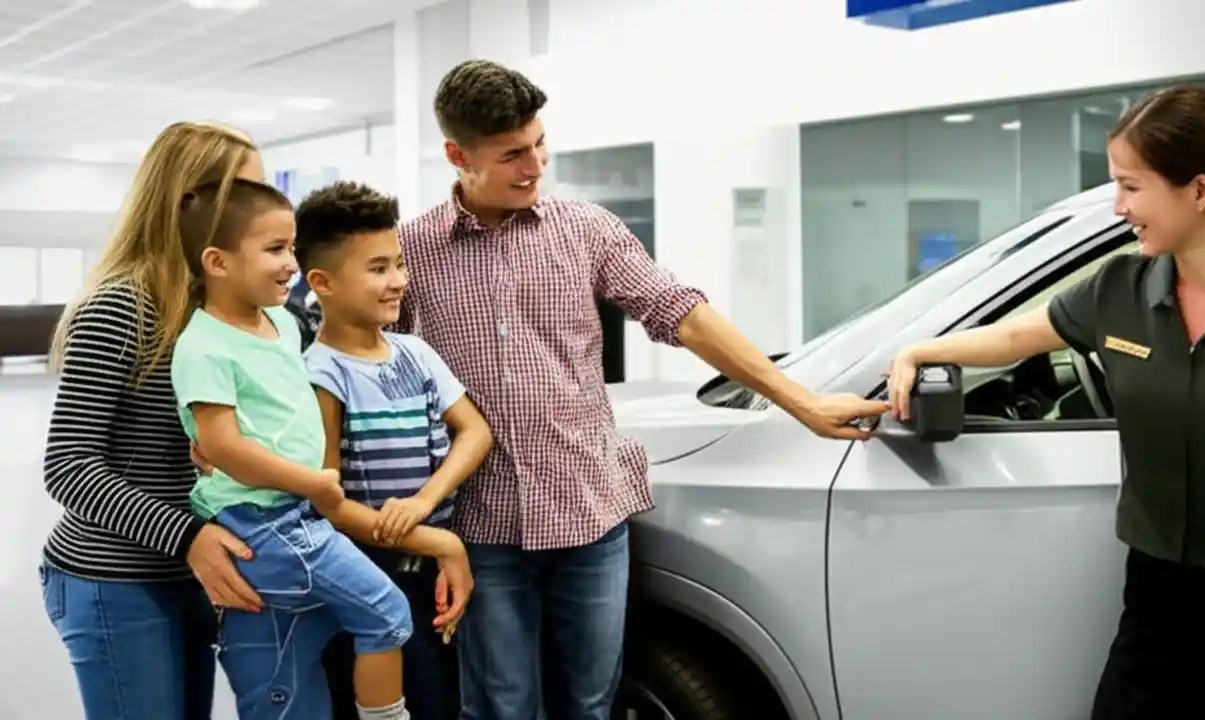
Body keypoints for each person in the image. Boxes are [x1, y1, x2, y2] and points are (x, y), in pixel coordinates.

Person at [393, 58, 891, 719]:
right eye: (512, 153)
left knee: (593, 703)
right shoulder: (410, 251)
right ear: (457, 154)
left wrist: (799, 400)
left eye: (539, 145)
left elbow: (678, 311)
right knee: (501, 707)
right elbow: (369, 364)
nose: (534, 165)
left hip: (590, 514)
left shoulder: (585, 229)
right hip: (483, 524)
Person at [886, 84, 1205, 718]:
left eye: (1131, 186)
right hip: (1156, 596)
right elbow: (1019, 334)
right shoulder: (1120, 287)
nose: (1118, 207)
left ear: (1199, 191)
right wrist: (922, 350)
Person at [169, 177, 471, 720]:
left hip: (303, 514)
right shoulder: (203, 345)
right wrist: (310, 481)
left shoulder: (283, 324)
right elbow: (222, 444)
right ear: (217, 262)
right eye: (275, 249)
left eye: (290, 246)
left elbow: (271, 417)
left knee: (294, 674)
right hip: (273, 520)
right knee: (384, 615)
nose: (289, 261)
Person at [39, 121, 267, 720]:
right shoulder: (122, 304)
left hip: (190, 575)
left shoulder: (216, 308)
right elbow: (68, 467)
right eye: (248, 195)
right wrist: (187, 537)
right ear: (188, 202)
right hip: (116, 579)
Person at [294, 180, 492, 720]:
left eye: (399, 265)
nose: (398, 281)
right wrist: (438, 542)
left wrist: (426, 506)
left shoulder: (415, 351)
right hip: (366, 573)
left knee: (439, 702)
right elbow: (326, 502)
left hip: (429, 569)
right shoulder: (319, 373)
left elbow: (474, 431)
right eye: (378, 269)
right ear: (322, 283)